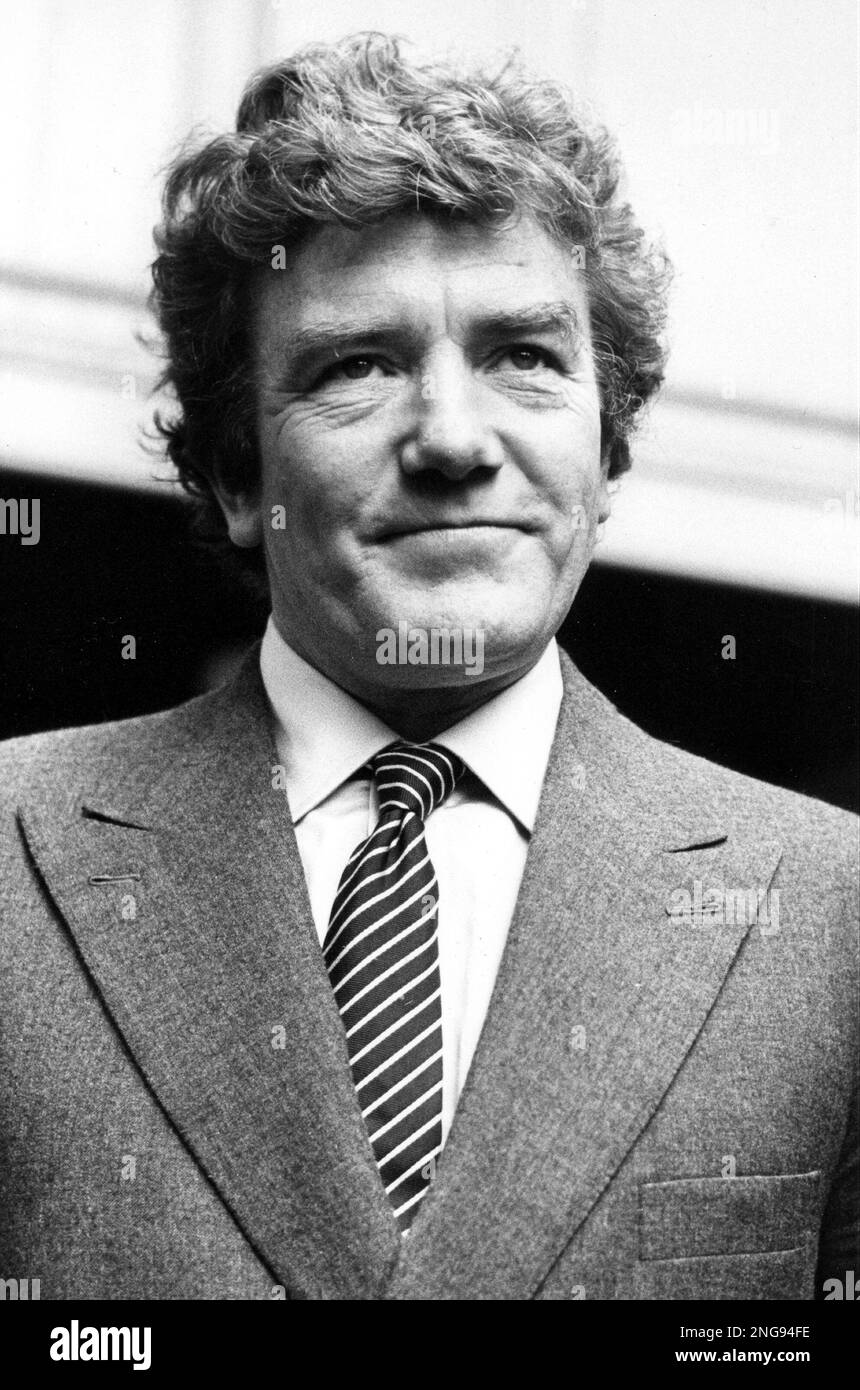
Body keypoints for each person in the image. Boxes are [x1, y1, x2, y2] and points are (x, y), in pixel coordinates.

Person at [0, 32, 856, 1302]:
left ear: (606, 450)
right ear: (238, 473)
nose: (454, 439)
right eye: (359, 366)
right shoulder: (12, 861)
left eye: (524, 356)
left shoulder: (832, 917)